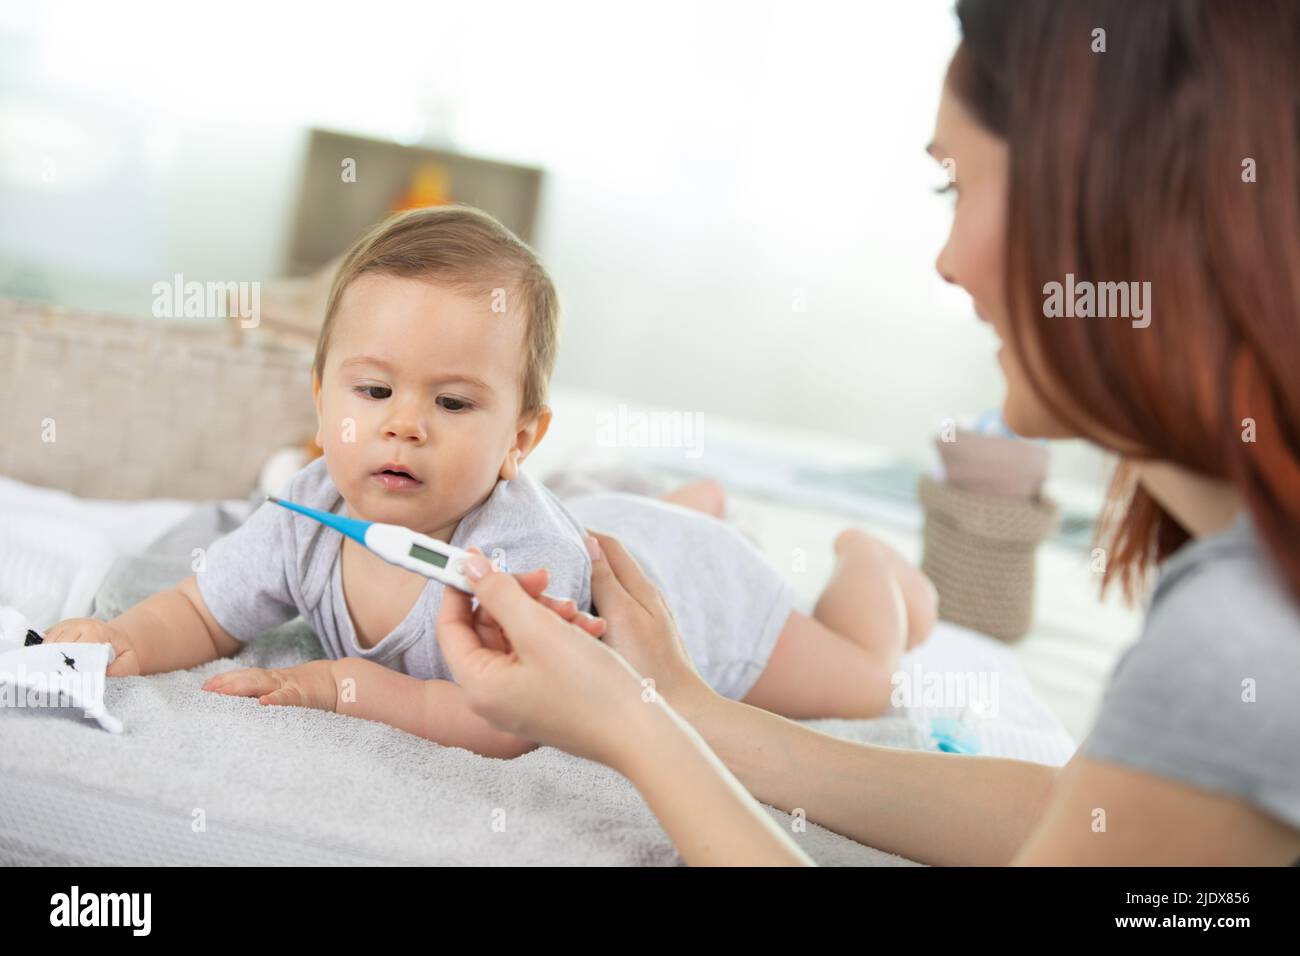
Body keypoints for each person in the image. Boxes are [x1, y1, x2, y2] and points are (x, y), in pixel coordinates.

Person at [433, 0, 1300, 864]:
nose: (947, 260)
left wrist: (629, 729)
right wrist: (678, 708)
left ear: (1120, 203)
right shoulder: (1245, 596)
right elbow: (1084, 817)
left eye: (955, 186)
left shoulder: (1236, 637)